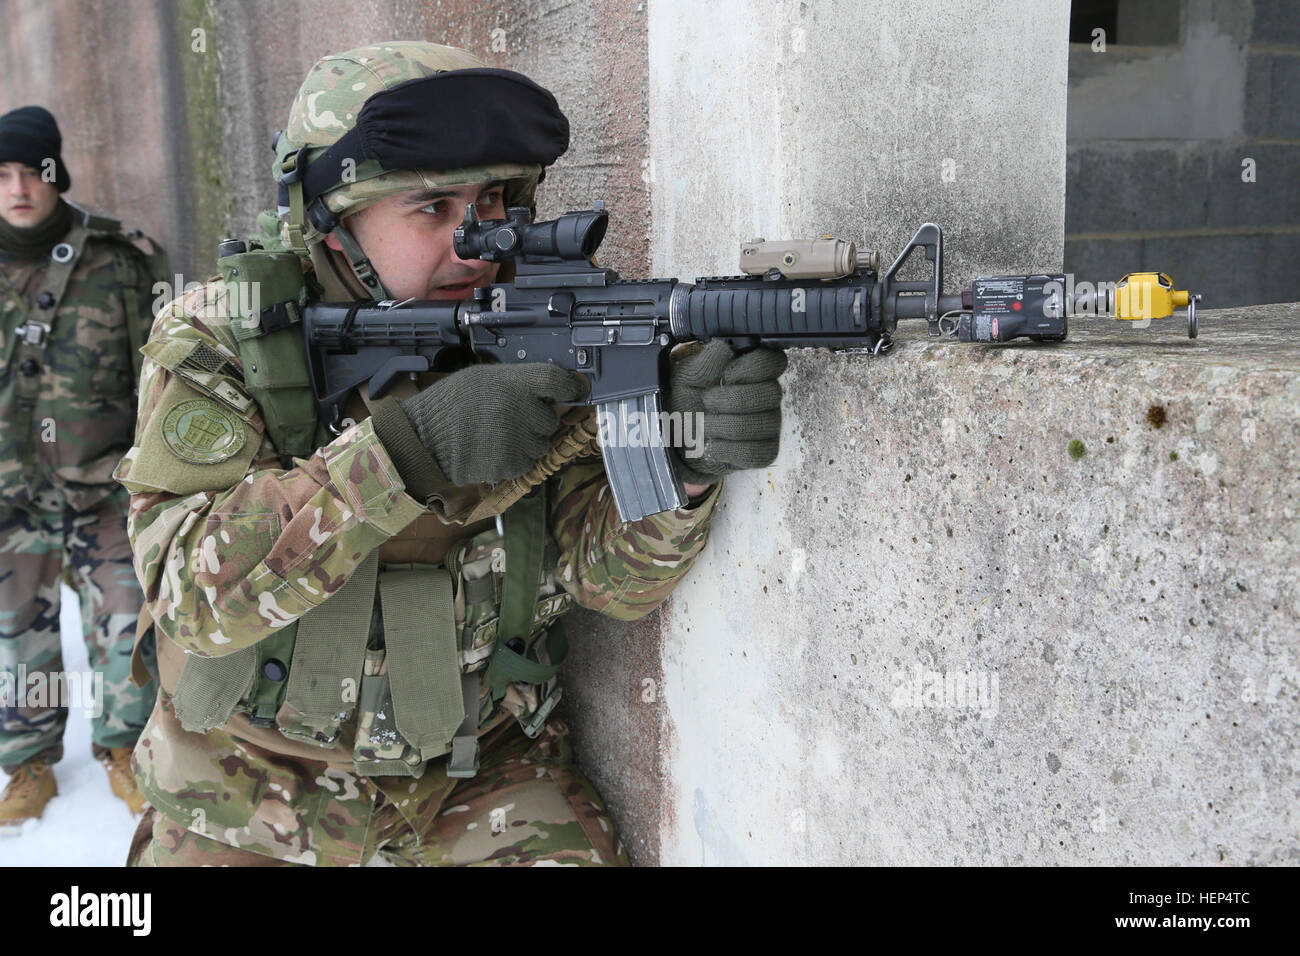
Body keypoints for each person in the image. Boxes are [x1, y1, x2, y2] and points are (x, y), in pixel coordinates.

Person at [116, 41, 786, 866]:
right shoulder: (227, 334)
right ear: (330, 222)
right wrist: (409, 454)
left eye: (496, 200)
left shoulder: (537, 321)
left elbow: (608, 581)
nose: (477, 240)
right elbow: (191, 595)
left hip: (478, 775)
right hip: (246, 787)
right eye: (432, 209)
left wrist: (682, 463)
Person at [0, 105, 166, 829]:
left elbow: (158, 373)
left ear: (55, 173)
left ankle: (123, 751)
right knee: (18, 633)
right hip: (9, 493)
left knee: (127, 619)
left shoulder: (119, 259)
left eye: (31, 172)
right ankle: (30, 762)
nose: (17, 189)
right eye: (0, 175)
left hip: (101, 486)